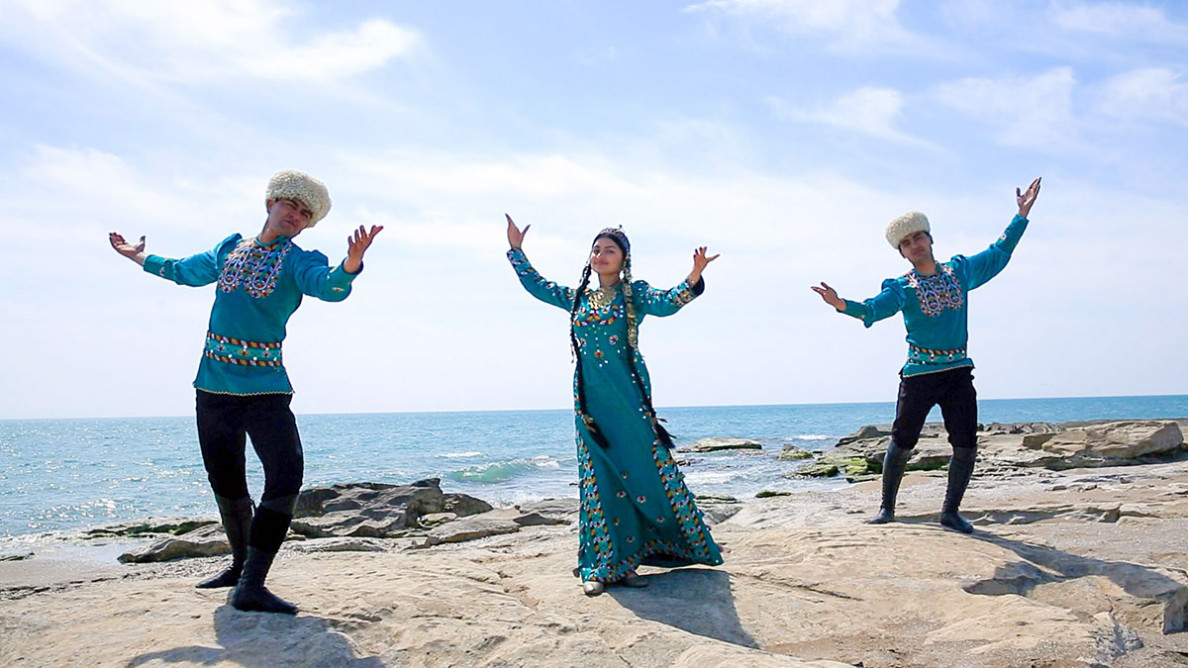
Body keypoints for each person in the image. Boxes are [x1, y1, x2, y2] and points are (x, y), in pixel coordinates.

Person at [109, 169, 382, 614]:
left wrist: (350, 264)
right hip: (212, 387)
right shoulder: (229, 247)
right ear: (271, 204)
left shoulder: (301, 259)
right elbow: (186, 272)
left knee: (286, 473)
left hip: (265, 391)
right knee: (226, 479)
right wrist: (140, 258)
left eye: (305, 213)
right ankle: (239, 568)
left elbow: (329, 288)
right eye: (290, 205)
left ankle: (254, 581)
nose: (296, 215)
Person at [505, 215, 724, 596]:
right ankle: (604, 563)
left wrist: (693, 275)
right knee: (600, 481)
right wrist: (516, 251)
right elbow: (538, 287)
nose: (601, 255)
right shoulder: (578, 298)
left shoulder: (634, 294)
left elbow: (669, 302)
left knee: (643, 473)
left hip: (630, 400)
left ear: (624, 259)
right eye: (596, 249)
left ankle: (637, 555)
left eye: (610, 250)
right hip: (590, 404)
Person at [811, 178, 1041, 534]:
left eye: (918, 237)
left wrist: (1021, 214)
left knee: (965, 443)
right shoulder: (901, 287)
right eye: (905, 243)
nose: (914, 245)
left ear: (930, 239)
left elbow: (999, 253)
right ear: (901, 252)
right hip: (919, 375)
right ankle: (887, 509)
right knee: (902, 440)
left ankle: (950, 512)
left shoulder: (960, 271)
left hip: (958, 373)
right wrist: (842, 304)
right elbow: (873, 310)